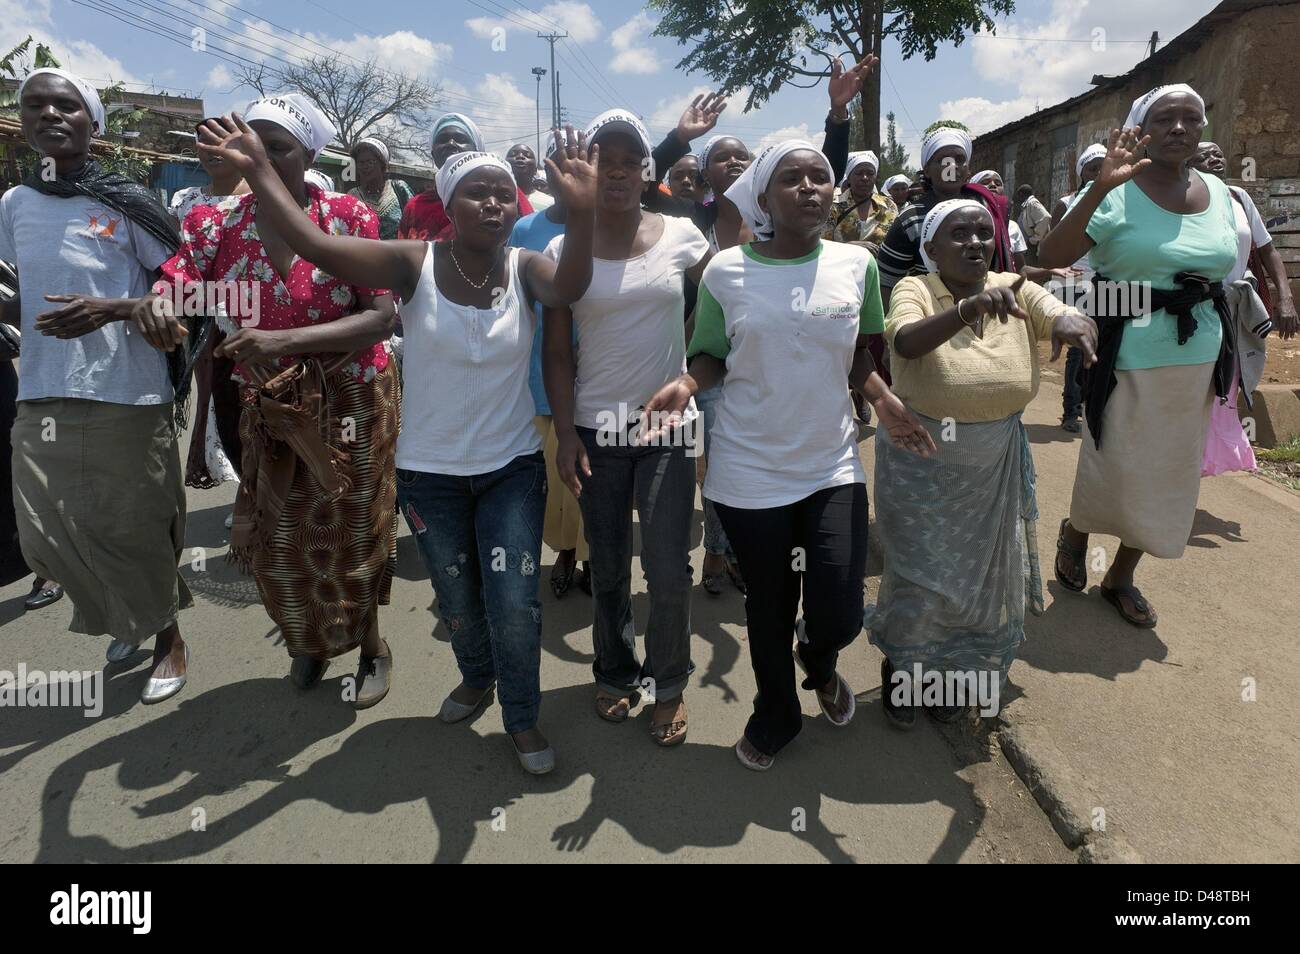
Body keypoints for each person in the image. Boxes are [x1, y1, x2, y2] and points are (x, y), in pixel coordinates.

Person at [201, 116, 599, 773]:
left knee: (513, 604)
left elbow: (572, 288)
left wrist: (580, 216)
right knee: (460, 601)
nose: (494, 202)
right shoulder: (414, 264)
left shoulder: (528, 267)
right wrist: (259, 170)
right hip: (429, 477)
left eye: (504, 192)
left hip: (511, 472)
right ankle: (476, 676)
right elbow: (316, 244)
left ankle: (522, 719)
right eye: (477, 191)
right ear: (446, 204)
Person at [643, 140, 933, 769]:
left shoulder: (857, 265)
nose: (809, 187)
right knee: (768, 608)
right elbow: (712, 353)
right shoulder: (726, 272)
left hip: (829, 463)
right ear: (765, 198)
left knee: (838, 609)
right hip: (750, 471)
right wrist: (689, 383)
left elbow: (859, 352)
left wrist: (880, 397)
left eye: (819, 177)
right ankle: (777, 714)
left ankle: (820, 658)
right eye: (792, 179)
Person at [153, 94, 401, 704]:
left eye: (277, 147)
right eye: (251, 143)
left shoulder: (347, 217)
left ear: (310, 154)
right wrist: (163, 299)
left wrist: (282, 338)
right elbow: (181, 277)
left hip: (352, 402)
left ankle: (370, 643)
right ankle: (309, 641)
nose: (257, 155)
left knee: (355, 530)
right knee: (281, 537)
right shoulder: (217, 224)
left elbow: (380, 317)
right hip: (270, 409)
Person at [1, 68, 198, 701]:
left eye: (67, 106)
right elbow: (21, 297)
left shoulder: (128, 203)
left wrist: (113, 307)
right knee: (46, 532)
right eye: (36, 105)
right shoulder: (13, 205)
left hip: (126, 389)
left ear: (93, 123)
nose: (50, 115)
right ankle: (129, 614)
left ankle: (166, 636)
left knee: (131, 525)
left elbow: (188, 284)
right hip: (40, 387)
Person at [865, 199, 1098, 727]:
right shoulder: (915, 288)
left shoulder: (1013, 284)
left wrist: (1070, 321)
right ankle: (905, 670)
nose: (975, 242)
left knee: (979, 579)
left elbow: (1053, 308)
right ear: (930, 248)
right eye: (958, 234)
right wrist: (969, 310)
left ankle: (953, 673)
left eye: (982, 232)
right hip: (921, 457)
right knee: (922, 575)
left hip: (993, 461)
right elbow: (904, 339)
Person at [1040, 85, 1240, 628]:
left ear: (1203, 127)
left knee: (1170, 471)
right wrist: (1097, 187)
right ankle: (1077, 530)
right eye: (1165, 119)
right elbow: (1052, 256)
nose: (1179, 127)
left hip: (1197, 349)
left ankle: (1121, 576)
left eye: (1190, 118)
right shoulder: (1116, 189)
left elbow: (1228, 265)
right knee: (1115, 460)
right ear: (1140, 129)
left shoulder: (1220, 190)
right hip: (1125, 346)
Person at [544, 109, 710, 747]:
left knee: (668, 566)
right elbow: (557, 353)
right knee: (609, 565)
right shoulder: (563, 249)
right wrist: (564, 432)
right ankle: (615, 669)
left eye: (627, 160)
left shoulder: (683, 236)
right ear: (585, 170)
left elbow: (726, 304)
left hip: (666, 427)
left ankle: (669, 683)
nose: (614, 170)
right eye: (601, 159)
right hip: (596, 433)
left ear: (647, 173)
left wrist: (694, 376)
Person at [509, 137, 591, 600]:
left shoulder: (606, 225)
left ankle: (593, 556)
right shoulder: (524, 228)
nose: (570, 171)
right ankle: (563, 551)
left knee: (595, 473)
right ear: (549, 170)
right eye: (560, 163)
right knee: (558, 477)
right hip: (543, 368)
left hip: (600, 371)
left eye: (579, 163)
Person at [172, 121, 251, 513]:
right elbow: (174, 265)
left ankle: (258, 494)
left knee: (251, 404)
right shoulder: (185, 199)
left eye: (222, 140)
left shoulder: (261, 197)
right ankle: (242, 492)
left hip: (254, 320)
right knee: (216, 403)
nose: (211, 148)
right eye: (203, 141)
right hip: (203, 323)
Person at [876, 125, 1015, 307]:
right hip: (928, 320)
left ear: (968, 170)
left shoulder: (986, 209)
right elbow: (887, 283)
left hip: (984, 312)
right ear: (926, 171)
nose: (952, 166)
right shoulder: (911, 218)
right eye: (943, 160)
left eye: (959, 160)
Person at [1191, 141, 1298, 334]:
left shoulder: (1238, 197)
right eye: (1204, 157)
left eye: (1217, 154)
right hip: (1197, 308)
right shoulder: (1180, 203)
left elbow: (1268, 250)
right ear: (1187, 167)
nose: (1214, 159)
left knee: (1243, 362)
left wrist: (1285, 297)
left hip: (1238, 306)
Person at [1048, 143, 1109, 432]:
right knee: (1077, 349)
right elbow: (1053, 246)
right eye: (1092, 168)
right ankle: (1071, 411)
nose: (1098, 173)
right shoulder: (1066, 202)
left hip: (1109, 282)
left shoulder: (1119, 200)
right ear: (1081, 173)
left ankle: (1095, 406)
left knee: (1103, 343)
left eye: (1102, 167)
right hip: (1074, 281)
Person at [399, 113, 533, 240]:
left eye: (461, 139)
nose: (451, 144)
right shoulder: (415, 206)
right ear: (433, 153)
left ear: (477, 151)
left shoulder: (508, 197)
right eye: (442, 140)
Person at [824, 150, 897, 250]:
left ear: (875, 177)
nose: (865, 178)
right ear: (849, 178)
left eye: (870, 173)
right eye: (859, 173)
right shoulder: (833, 206)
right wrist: (850, 247)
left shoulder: (889, 206)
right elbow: (823, 245)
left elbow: (896, 243)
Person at [347, 137, 414, 241]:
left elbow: (416, 226)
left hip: (397, 255)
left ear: (382, 164)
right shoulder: (352, 196)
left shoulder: (399, 189)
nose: (365, 167)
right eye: (361, 163)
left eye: (370, 162)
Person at [507, 142, 554, 212]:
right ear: (505, 166)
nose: (520, 156)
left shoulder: (551, 204)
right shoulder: (496, 201)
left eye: (527, 155)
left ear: (535, 170)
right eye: (513, 154)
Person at [1014, 183, 1052, 264]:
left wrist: (1033, 240)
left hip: (1032, 248)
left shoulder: (1032, 203)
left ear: (1021, 194)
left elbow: (1045, 217)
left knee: (1032, 272)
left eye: (1018, 195)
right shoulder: (1027, 205)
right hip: (1027, 248)